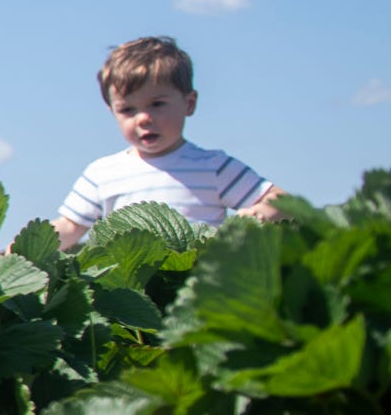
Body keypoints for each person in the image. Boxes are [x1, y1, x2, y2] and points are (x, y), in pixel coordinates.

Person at [51, 35, 284, 252]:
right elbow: (70, 227)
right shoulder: (102, 173)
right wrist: (26, 250)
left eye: (157, 104)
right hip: (132, 286)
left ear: (189, 104)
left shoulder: (212, 167)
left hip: (195, 280)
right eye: (127, 109)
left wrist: (260, 212)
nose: (143, 118)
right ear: (112, 112)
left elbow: (280, 200)